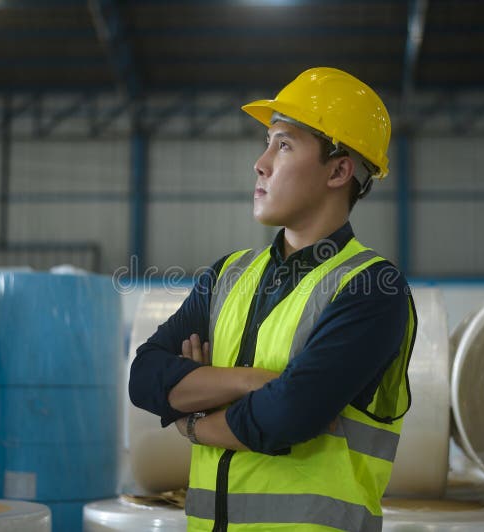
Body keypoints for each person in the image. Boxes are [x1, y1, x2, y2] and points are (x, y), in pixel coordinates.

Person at [129, 67, 417, 532]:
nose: (260, 163)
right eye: (266, 143)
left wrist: (191, 420)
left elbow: (288, 414)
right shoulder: (228, 275)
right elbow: (144, 378)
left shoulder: (372, 288)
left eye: (283, 145)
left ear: (339, 170)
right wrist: (250, 381)